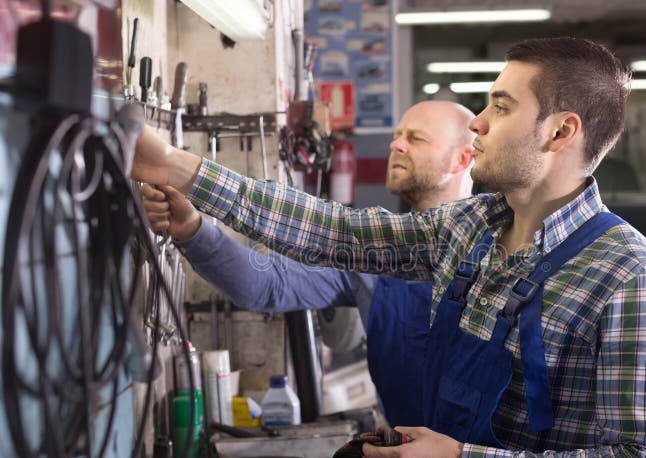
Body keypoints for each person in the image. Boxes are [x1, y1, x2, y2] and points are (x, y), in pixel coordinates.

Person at [132, 37, 646, 458]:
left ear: (560, 132)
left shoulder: (635, 282)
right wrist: (176, 168)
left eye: (501, 107)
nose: (479, 122)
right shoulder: (470, 229)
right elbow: (335, 232)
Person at [141, 100, 475, 427]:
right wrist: (193, 230)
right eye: (397, 135)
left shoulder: (488, 253)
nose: (396, 145)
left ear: (463, 158)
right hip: (407, 453)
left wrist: (173, 164)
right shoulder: (371, 256)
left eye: (416, 138)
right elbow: (265, 285)